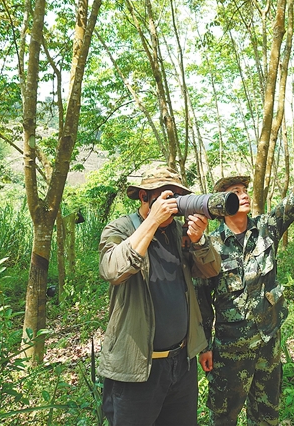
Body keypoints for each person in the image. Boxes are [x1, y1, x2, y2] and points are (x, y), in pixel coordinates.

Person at [196, 142, 294, 426]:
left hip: (268, 341)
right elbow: (202, 299)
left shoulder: (266, 227)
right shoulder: (211, 245)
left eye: (244, 191)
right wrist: (205, 345)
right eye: (235, 193)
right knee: (224, 416)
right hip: (231, 348)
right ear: (220, 205)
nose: (243, 196)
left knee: (267, 414)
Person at [97, 166, 221, 426]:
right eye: (167, 196)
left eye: (177, 197)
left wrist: (198, 240)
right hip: (137, 368)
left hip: (181, 364)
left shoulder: (179, 232)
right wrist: (152, 222)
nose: (173, 204)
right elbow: (112, 270)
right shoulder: (120, 228)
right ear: (144, 196)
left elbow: (211, 270)